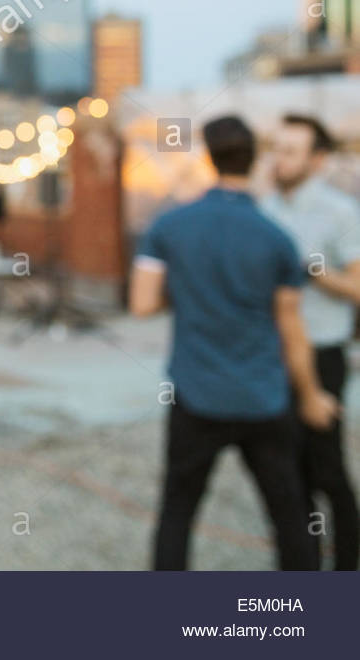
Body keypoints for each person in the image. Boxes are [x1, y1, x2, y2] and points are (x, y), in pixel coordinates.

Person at [129, 115, 339, 570]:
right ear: (254, 159)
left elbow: (142, 303)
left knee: (178, 511)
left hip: (197, 395)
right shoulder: (277, 237)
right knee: (289, 514)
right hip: (263, 397)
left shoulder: (170, 226)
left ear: (208, 157)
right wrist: (310, 394)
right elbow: (291, 328)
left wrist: (186, 291)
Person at [261, 114, 360, 570]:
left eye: (291, 151)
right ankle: (300, 572)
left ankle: (346, 568)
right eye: (276, 149)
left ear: (317, 160)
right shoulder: (263, 210)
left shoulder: (340, 212)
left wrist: (316, 272)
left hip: (321, 354)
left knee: (328, 470)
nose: (279, 159)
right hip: (275, 356)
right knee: (286, 472)